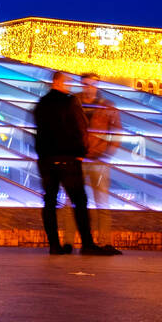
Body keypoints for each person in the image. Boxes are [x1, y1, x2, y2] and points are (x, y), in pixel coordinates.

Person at [34, 71, 119, 255]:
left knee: (51, 202)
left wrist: (106, 153)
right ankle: (83, 244)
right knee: (78, 201)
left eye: (92, 84)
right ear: (57, 82)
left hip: (52, 160)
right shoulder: (71, 101)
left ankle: (56, 246)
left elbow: (38, 132)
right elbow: (79, 128)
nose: (71, 85)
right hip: (70, 160)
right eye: (69, 82)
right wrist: (80, 153)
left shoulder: (42, 104)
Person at [79, 73, 121, 248]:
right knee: (74, 203)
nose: (89, 87)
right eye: (86, 84)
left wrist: (106, 153)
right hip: (79, 159)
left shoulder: (108, 106)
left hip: (99, 160)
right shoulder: (74, 103)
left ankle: (105, 242)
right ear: (82, 85)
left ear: (97, 86)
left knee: (102, 202)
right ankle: (73, 242)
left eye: (93, 84)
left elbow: (117, 132)